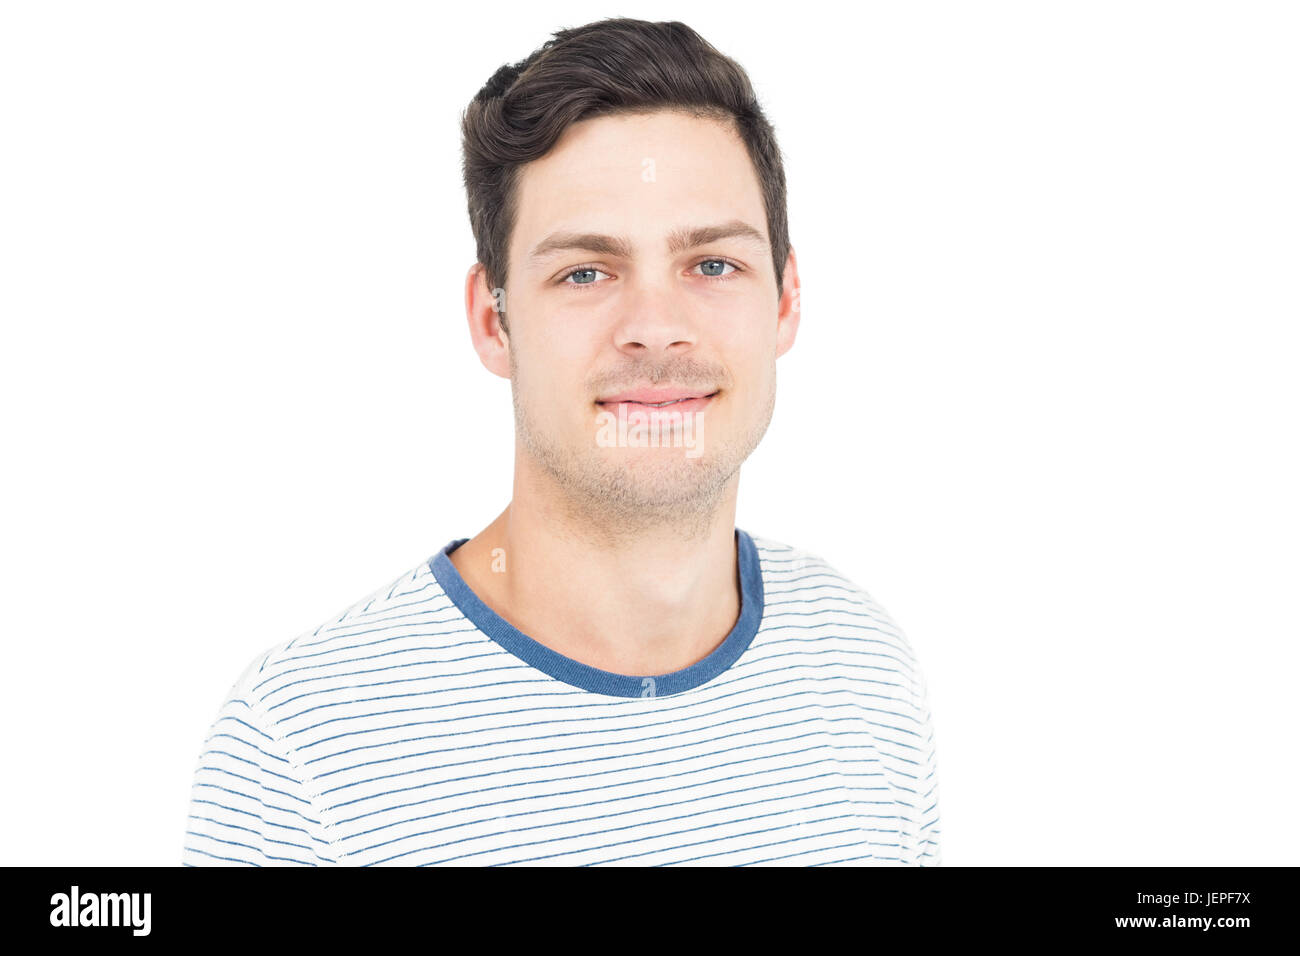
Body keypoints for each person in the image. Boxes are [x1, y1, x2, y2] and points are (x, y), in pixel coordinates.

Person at [181, 16, 941, 867]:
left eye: (712, 264)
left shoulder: (866, 669)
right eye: (585, 271)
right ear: (491, 320)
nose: (655, 331)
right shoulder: (302, 755)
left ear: (786, 299)